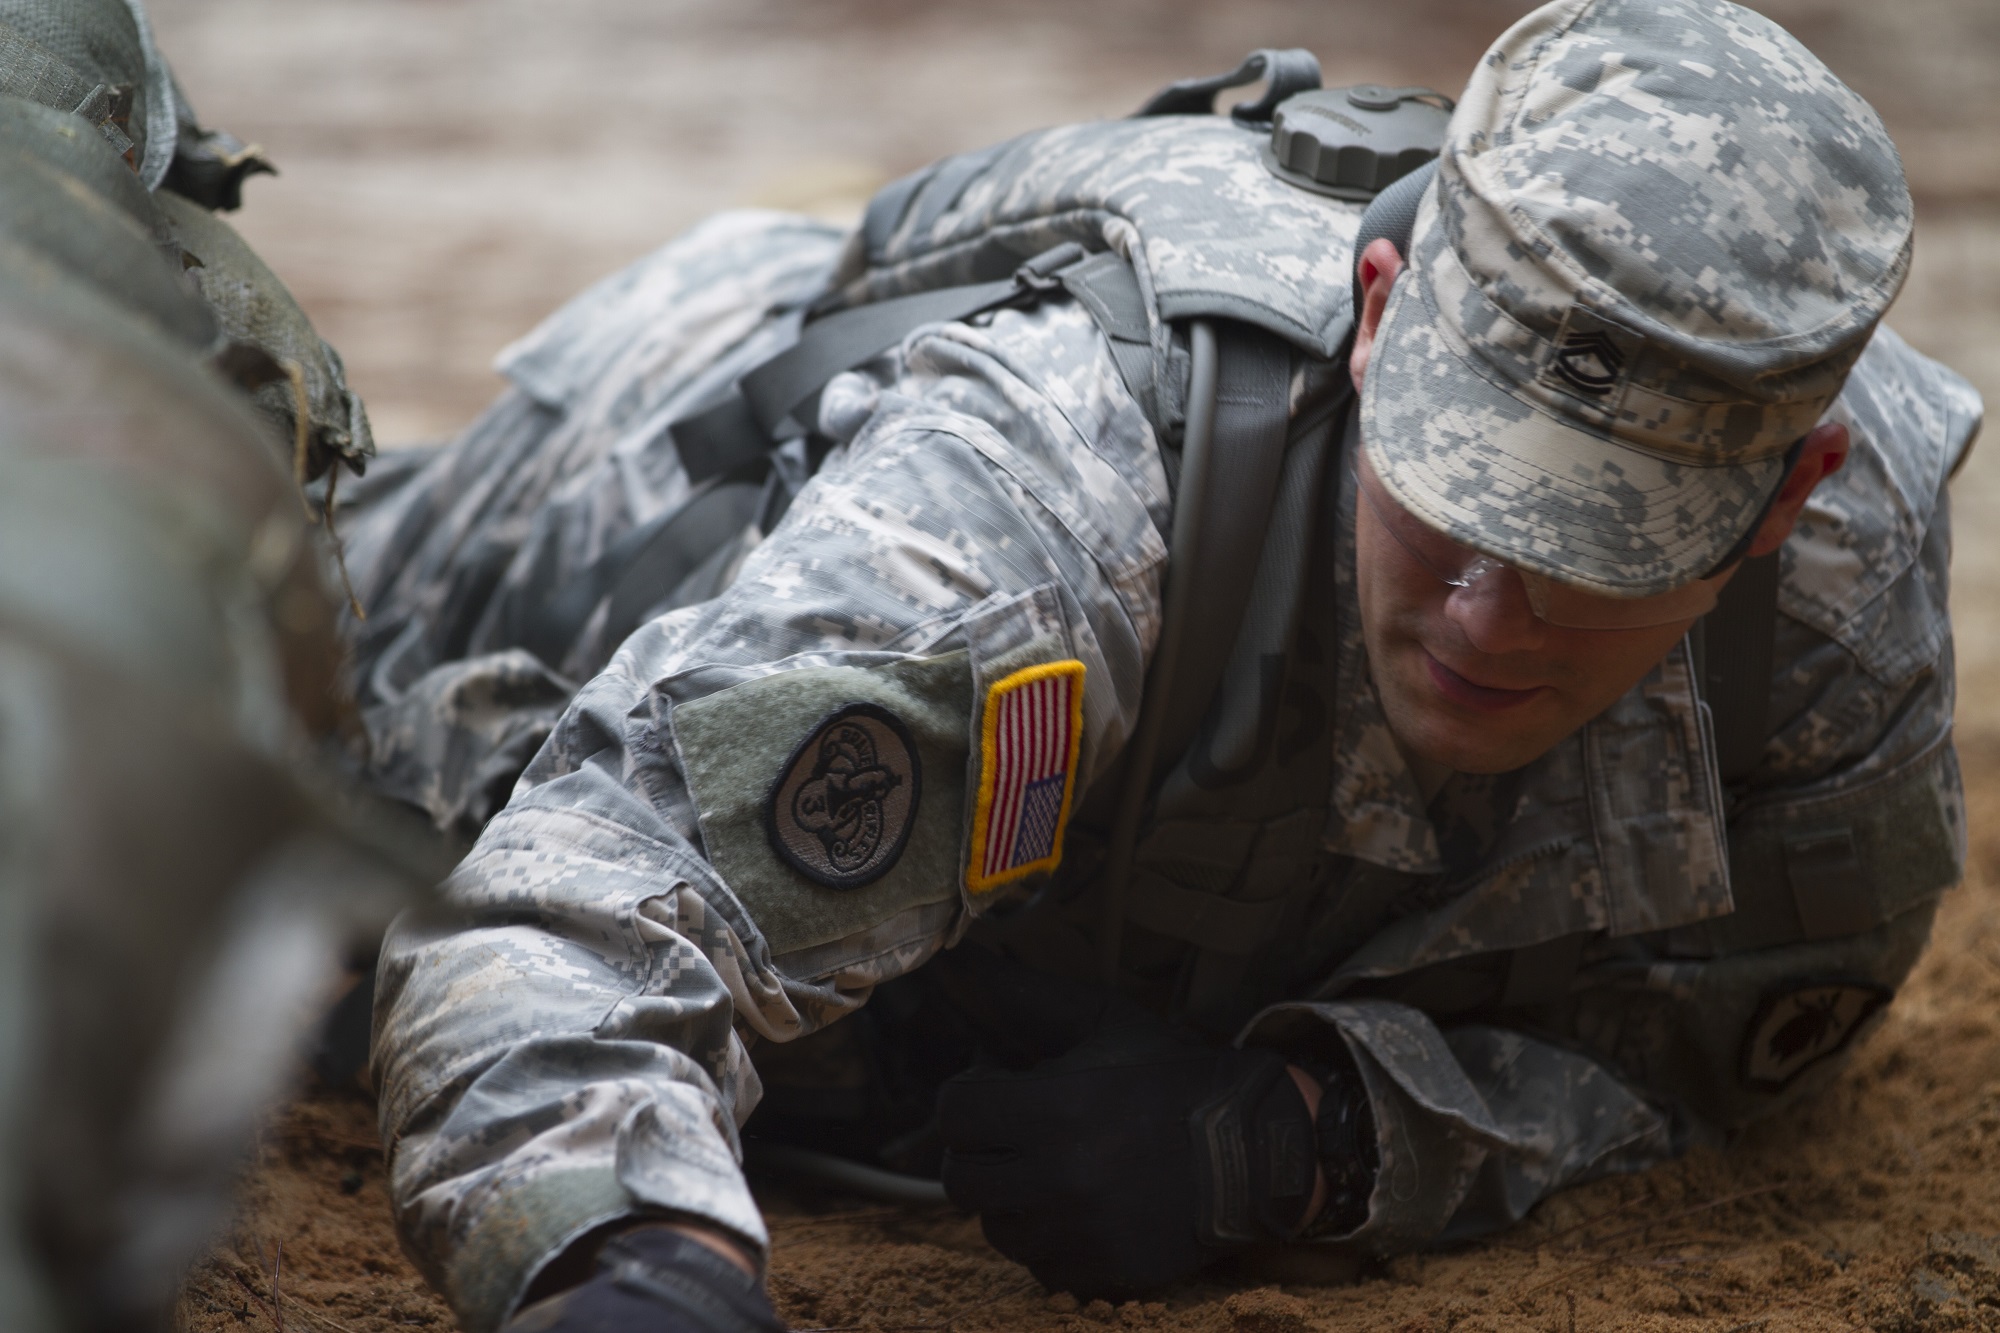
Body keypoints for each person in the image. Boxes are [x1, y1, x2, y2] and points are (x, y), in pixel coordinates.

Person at [351, 2, 1983, 1330]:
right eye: (1456, 504)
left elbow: (1710, 1060)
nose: (1491, 616)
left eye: (1593, 561)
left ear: (1790, 495)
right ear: (1376, 312)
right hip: (582, 509)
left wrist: (1309, 1133)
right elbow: (577, 907)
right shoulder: (1070, 487)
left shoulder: (1838, 623)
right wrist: (632, 1271)